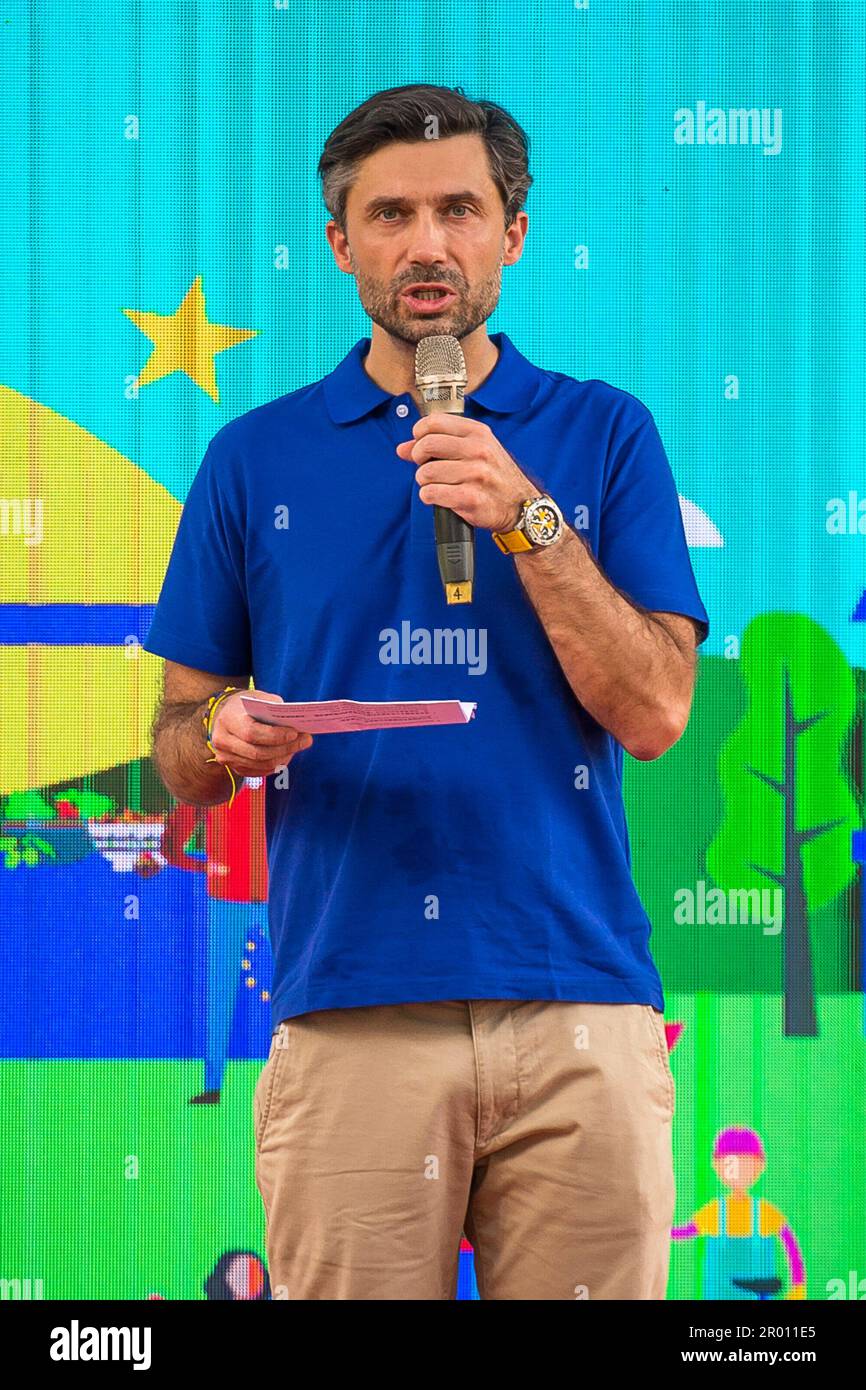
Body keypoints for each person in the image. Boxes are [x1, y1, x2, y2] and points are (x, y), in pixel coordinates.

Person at [144, 83, 710, 1300]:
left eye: (458, 208)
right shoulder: (253, 459)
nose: (426, 243)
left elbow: (657, 711)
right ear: (341, 242)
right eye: (388, 213)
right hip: (352, 1007)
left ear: (511, 229)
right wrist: (222, 733)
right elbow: (174, 753)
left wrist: (525, 515)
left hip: (579, 1005)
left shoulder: (604, 434)